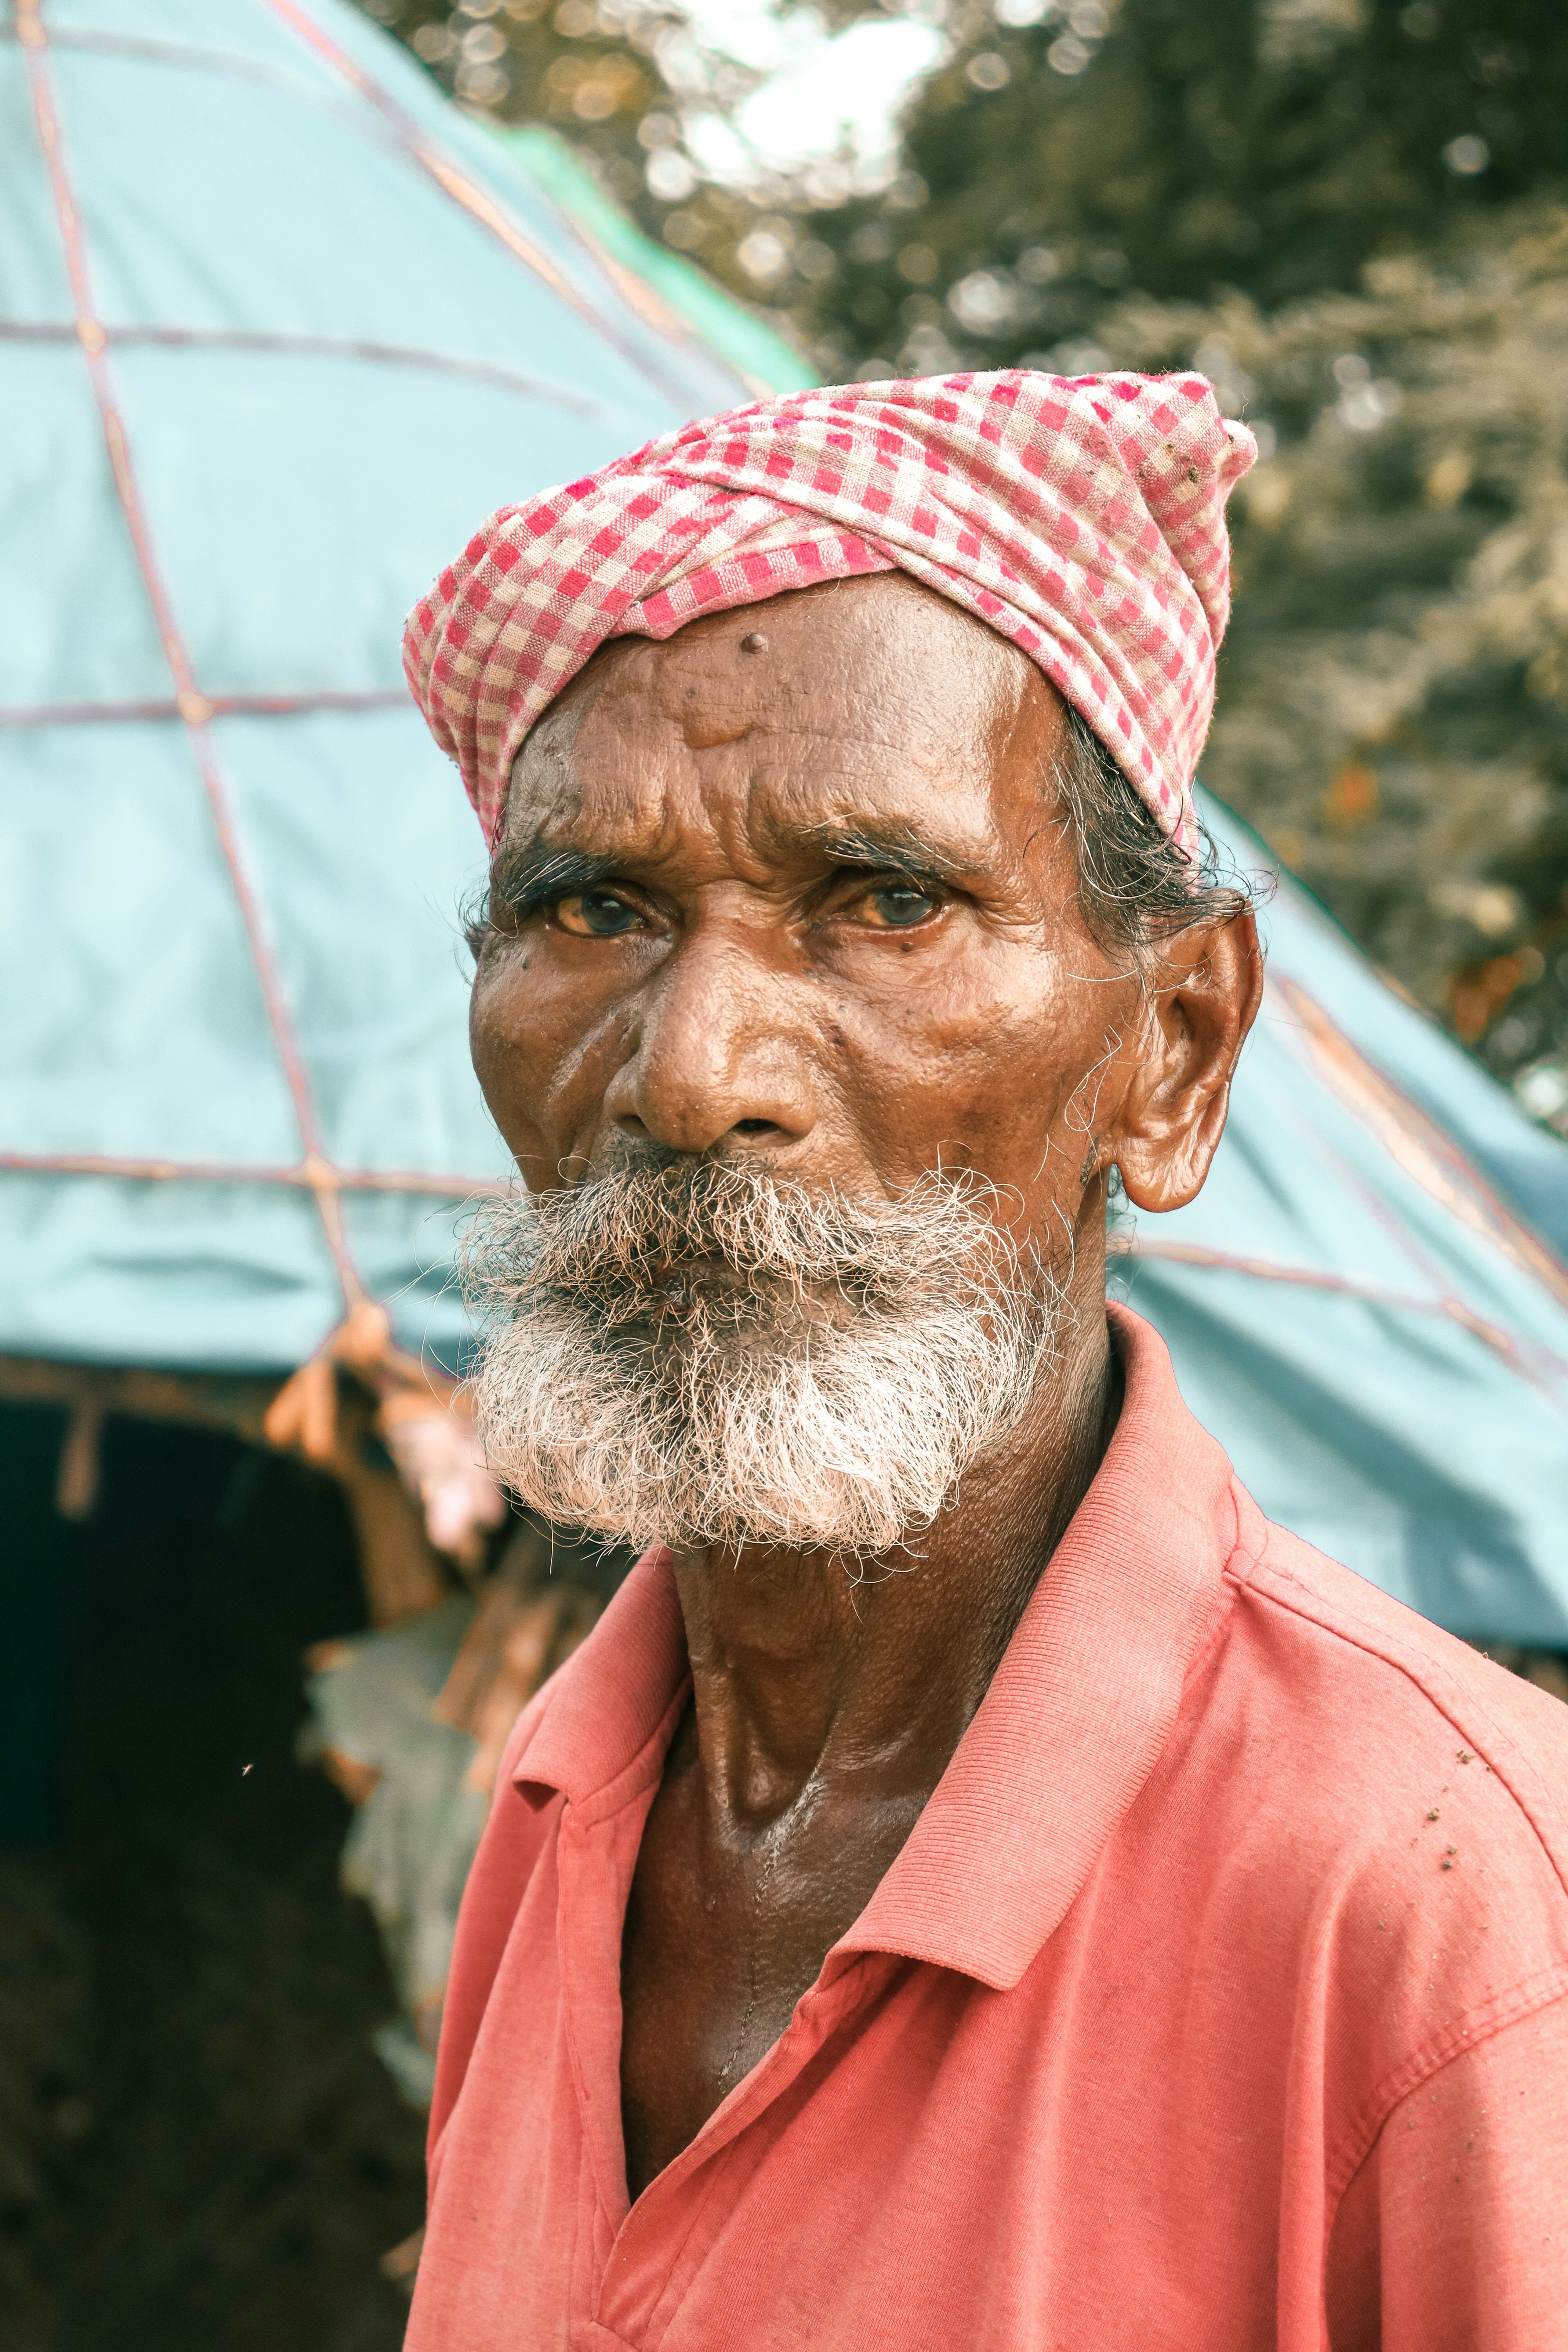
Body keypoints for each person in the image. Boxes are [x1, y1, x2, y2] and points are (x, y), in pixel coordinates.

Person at [398, 373, 1568, 2350]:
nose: (692, 1080)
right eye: (594, 909)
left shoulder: (1452, 1914)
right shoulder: (557, 1808)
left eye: (884, 902)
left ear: (1174, 1048)